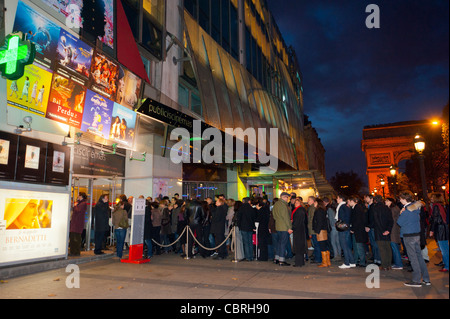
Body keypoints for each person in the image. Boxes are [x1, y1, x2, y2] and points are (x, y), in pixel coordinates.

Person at [397, 191, 431, 287]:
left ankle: (416, 280)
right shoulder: (415, 207)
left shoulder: (407, 210)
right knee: (419, 257)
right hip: (416, 234)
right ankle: (426, 279)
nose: (400, 200)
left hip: (409, 235)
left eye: (400, 199)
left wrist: (401, 213)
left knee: (413, 258)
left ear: (404, 199)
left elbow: (399, 222)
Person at [372, 195, 394, 270]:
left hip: (379, 231)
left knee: (382, 249)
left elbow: (376, 220)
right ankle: (389, 264)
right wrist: (388, 230)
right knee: (388, 248)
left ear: (375, 200)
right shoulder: (387, 208)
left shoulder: (375, 208)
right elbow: (391, 220)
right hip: (387, 231)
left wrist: (382, 231)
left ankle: (384, 265)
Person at [429, 193, 449, 272]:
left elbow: (435, 219)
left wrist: (431, 230)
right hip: (444, 228)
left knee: (444, 249)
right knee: (445, 248)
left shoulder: (436, 206)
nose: (431, 199)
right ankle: (445, 263)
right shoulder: (442, 205)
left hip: (440, 229)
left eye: (432, 197)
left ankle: (447, 266)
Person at [272, 192, 293, 266]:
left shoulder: (276, 204)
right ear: (284, 197)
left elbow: (274, 216)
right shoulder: (283, 205)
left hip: (278, 226)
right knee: (283, 244)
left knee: (279, 243)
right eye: (287, 197)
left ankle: (276, 259)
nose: (287, 199)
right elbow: (286, 218)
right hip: (284, 227)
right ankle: (282, 260)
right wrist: (289, 227)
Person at [336, 194, 356, 269]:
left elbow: (342, 218)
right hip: (346, 228)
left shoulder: (341, 207)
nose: (336, 200)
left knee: (344, 245)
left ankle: (347, 263)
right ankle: (352, 262)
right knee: (347, 246)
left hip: (343, 228)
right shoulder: (346, 207)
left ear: (341, 199)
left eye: (337, 198)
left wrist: (339, 224)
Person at [348, 195, 368, 267]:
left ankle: (362, 262)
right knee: (356, 246)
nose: (348, 203)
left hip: (358, 231)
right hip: (357, 230)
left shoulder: (357, 208)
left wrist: (353, 229)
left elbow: (357, 220)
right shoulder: (355, 208)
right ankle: (356, 261)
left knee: (359, 246)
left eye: (349, 202)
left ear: (352, 201)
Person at [386, 197, 403, 270]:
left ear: (390, 202)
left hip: (394, 231)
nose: (385, 202)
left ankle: (398, 264)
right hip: (395, 230)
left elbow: (390, 220)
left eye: (386, 201)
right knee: (395, 247)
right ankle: (397, 263)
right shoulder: (395, 208)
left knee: (394, 247)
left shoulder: (393, 209)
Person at [313, 198, 331, 267]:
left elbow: (319, 221)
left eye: (315, 202)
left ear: (318, 203)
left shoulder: (319, 211)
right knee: (325, 246)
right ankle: (328, 261)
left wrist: (317, 230)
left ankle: (324, 263)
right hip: (324, 230)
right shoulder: (323, 210)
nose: (314, 203)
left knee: (322, 246)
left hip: (321, 231)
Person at [69, 192, 87, 256]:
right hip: (75, 222)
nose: (77, 197)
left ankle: (75, 252)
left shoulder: (83, 204)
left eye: (78, 196)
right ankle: (73, 251)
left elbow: (78, 210)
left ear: (81, 196)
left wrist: (75, 205)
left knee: (75, 238)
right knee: (73, 237)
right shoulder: (80, 203)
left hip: (77, 223)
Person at [365, 194, 381, 265]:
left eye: (367, 198)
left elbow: (373, 218)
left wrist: (369, 226)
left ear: (371, 199)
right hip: (371, 228)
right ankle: (375, 258)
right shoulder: (370, 207)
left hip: (373, 228)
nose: (366, 199)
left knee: (375, 244)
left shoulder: (373, 207)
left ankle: (378, 259)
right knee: (373, 244)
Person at [292, 198, 307, 267]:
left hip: (298, 230)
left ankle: (298, 263)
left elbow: (297, 221)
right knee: (299, 246)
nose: (296, 204)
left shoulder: (299, 210)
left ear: (300, 203)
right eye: (295, 202)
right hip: (300, 229)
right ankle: (300, 262)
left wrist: (292, 227)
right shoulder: (300, 210)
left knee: (298, 246)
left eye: (297, 203)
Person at [307, 196, 321, 263]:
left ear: (313, 201)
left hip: (313, 230)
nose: (308, 201)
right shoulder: (311, 208)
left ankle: (318, 258)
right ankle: (316, 257)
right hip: (313, 229)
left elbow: (311, 221)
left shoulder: (312, 208)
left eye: (309, 200)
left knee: (316, 244)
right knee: (315, 244)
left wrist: (310, 231)